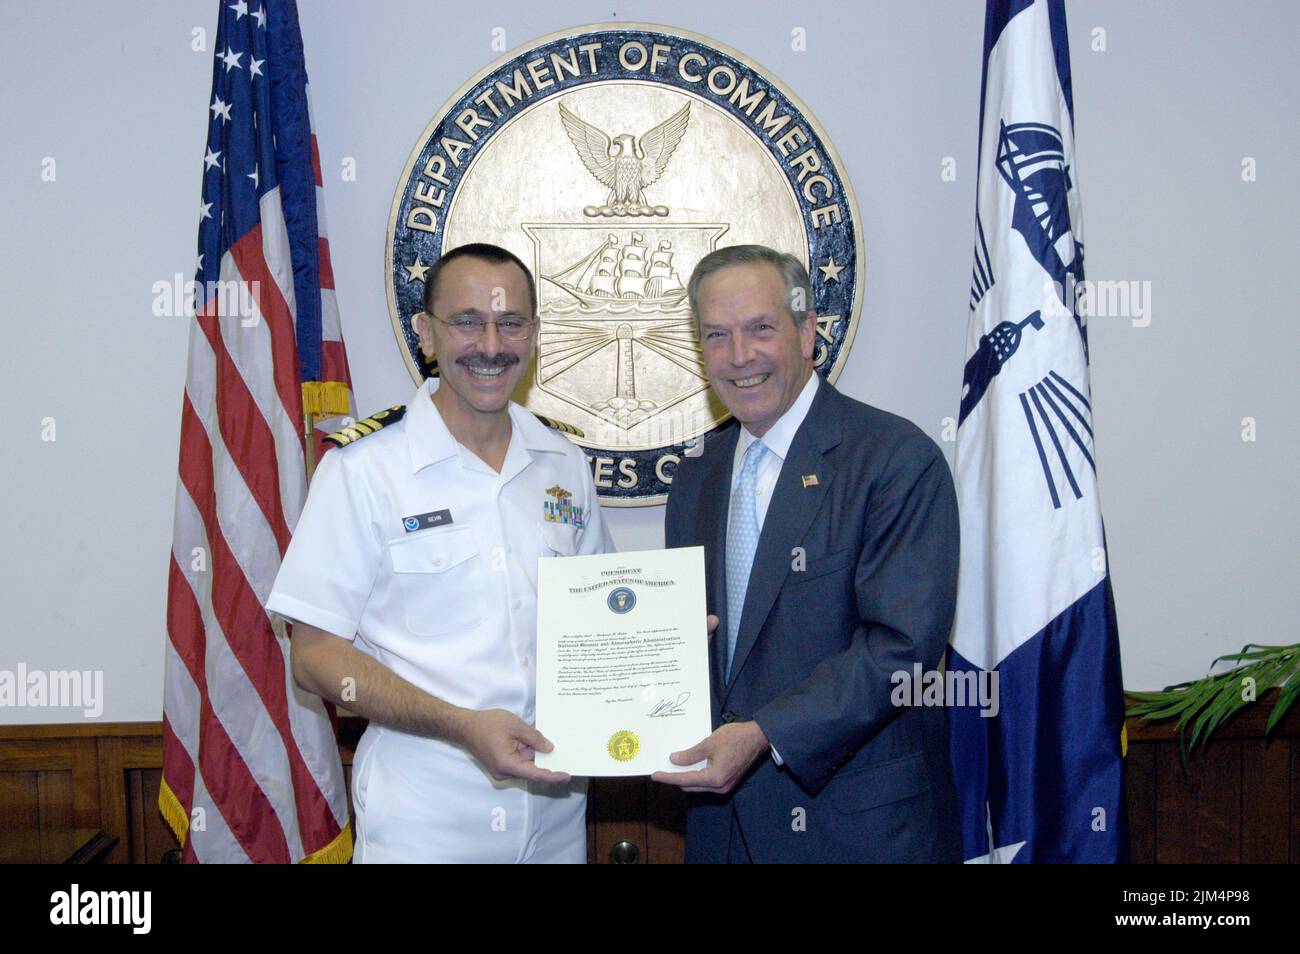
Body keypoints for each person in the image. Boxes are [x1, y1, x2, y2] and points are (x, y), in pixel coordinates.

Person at [266, 243, 611, 863]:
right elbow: (314, 658)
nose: (491, 344)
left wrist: (660, 645)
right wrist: (462, 726)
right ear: (427, 333)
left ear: (533, 335)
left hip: (558, 808)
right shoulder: (365, 469)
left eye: (510, 323)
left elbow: (597, 621)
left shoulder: (564, 464)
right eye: (467, 321)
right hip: (428, 811)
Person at [652, 245, 963, 863]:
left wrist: (765, 735)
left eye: (760, 328)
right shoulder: (695, 481)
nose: (739, 356)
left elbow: (901, 651)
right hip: (721, 829)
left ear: (806, 331)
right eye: (716, 335)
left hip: (854, 831)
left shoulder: (895, 459)